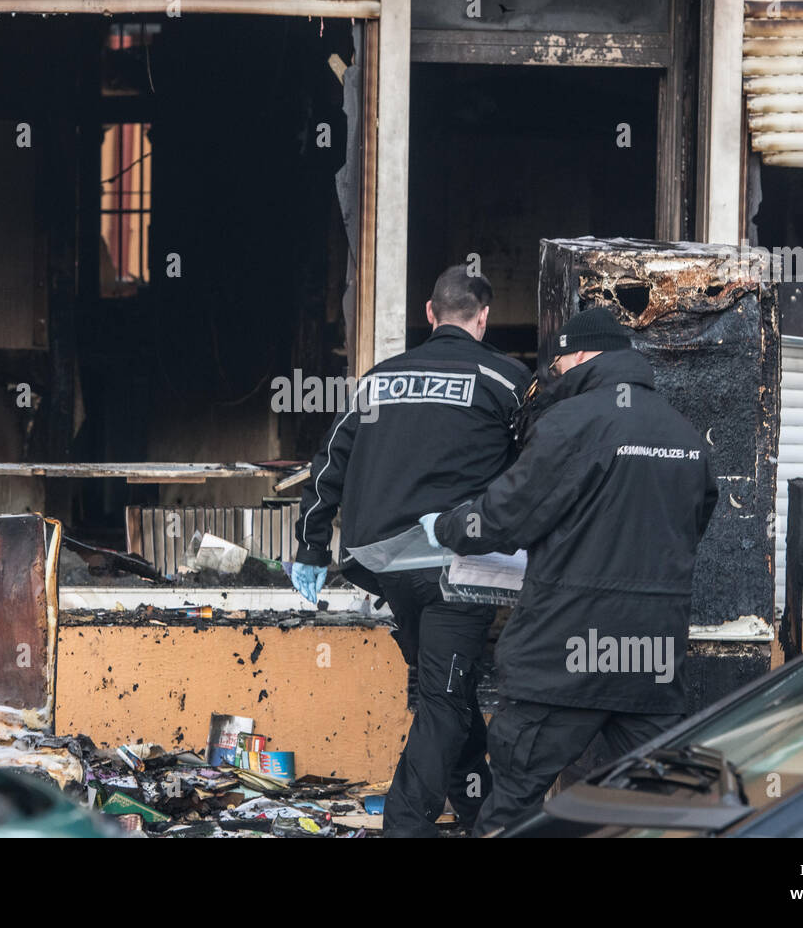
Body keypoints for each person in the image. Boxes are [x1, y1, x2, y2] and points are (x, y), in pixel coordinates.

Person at [421, 305, 717, 836]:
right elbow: (691, 530)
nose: (553, 376)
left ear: (579, 355)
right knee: (669, 810)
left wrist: (446, 525)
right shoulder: (687, 437)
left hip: (561, 663)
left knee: (512, 808)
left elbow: (502, 520)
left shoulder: (571, 424)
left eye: (556, 365)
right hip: (649, 664)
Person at [290, 264, 529, 837]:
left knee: (448, 689)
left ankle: (482, 814)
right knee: (444, 700)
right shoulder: (507, 380)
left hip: (388, 564)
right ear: (484, 317)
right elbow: (537, 473)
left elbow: (327, 466)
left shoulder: (377, 380)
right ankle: (405, 826)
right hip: (461, 566)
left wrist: (312, 547)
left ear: (429, 313)